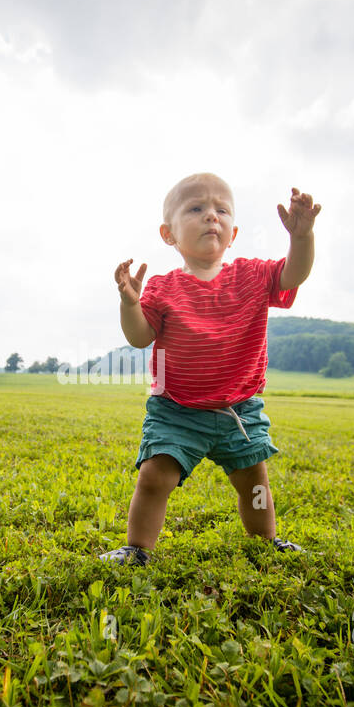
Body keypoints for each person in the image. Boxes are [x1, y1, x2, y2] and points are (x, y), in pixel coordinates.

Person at [100, 172, 320, 566]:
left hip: (240, 409)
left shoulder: (253, 275)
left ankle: (265, 541)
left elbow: (295, 273)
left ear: (233, 233)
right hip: (176, 410)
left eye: (222, 210)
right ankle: (137, 549)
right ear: (169, 234)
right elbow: (139, 337)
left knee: (254, 482)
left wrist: (301, 237)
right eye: (197, 208)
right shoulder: (163, 287)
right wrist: (130, 304)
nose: (211, 217)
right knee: (154, 476)